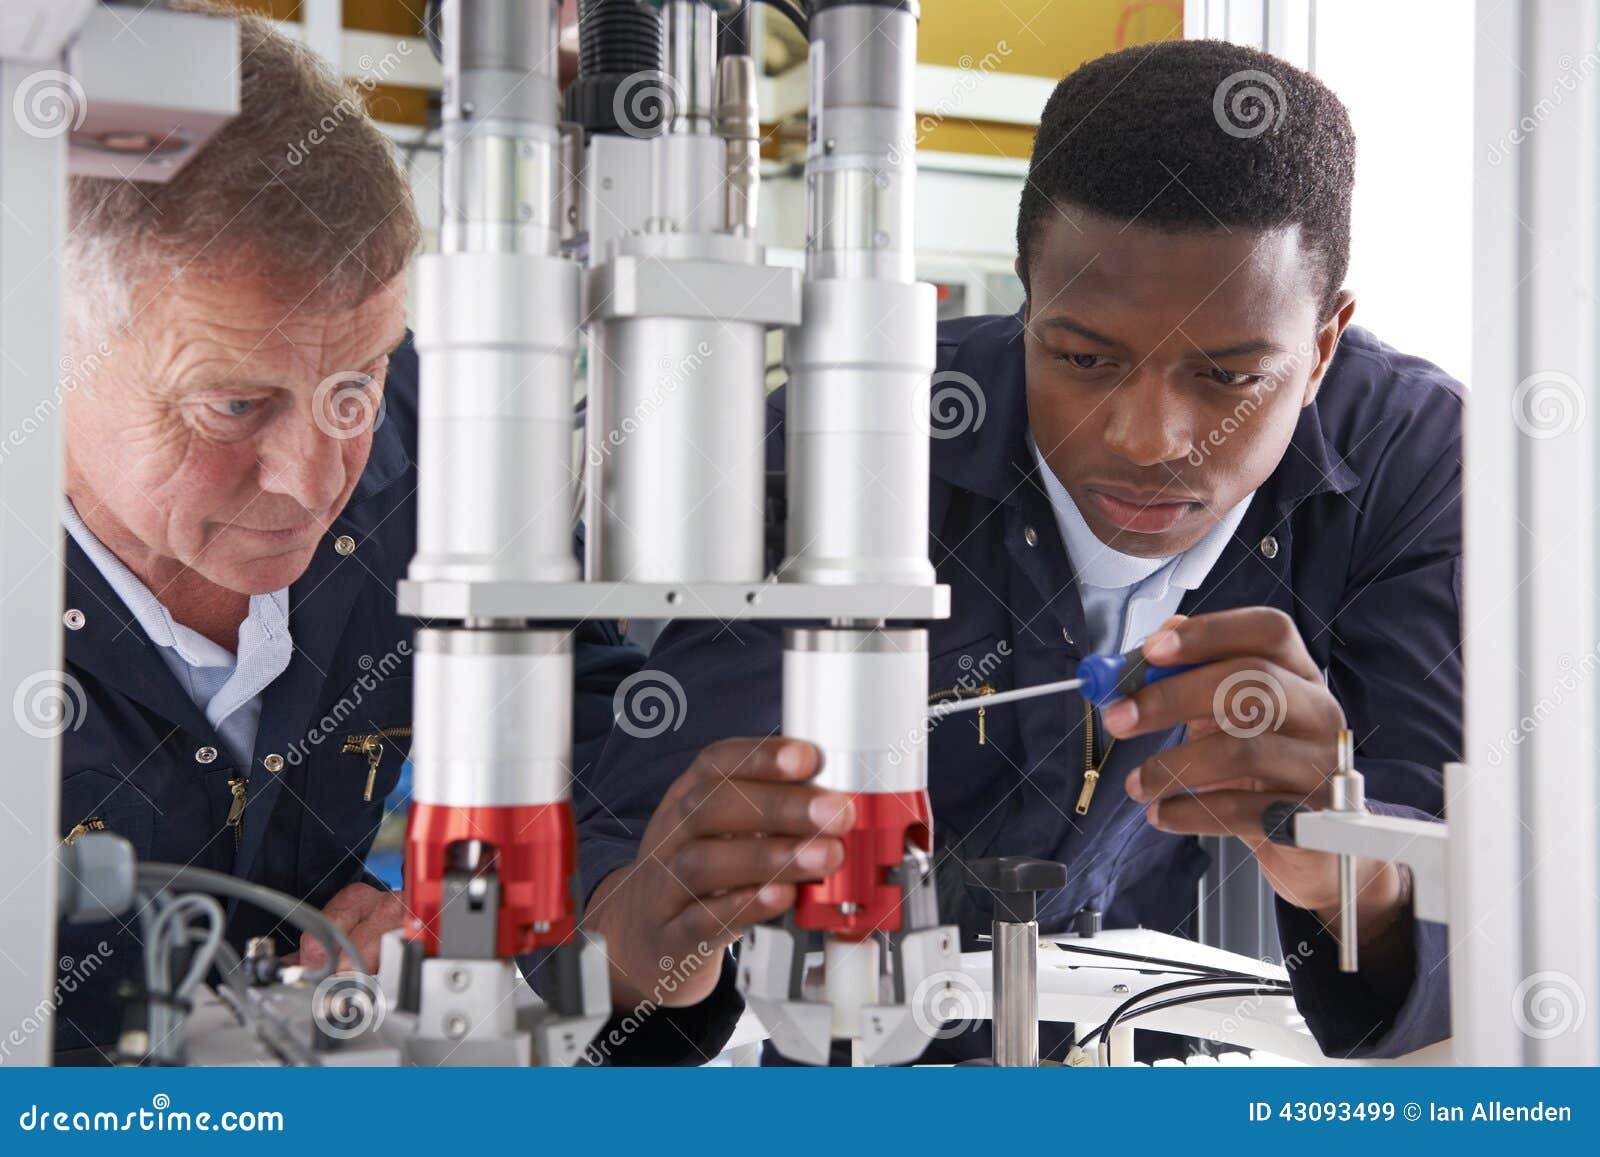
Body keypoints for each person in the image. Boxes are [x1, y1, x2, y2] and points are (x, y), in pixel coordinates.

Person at [574, 39, 1462, 1063]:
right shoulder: (855, 433)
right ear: (1025, 300)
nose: (1148, 436)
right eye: (1083, 358)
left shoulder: (1412, 458)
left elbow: (1468, 911)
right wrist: (650, 942)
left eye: (1226, 377)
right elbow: (636, 858)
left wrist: (1352, 867)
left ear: (1320, 348)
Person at [48, 6, 639, 1059]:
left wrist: (472, 894)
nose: (315, 478)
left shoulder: (436, 439)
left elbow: (609, 717)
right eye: (235, 405)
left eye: (353, 383)